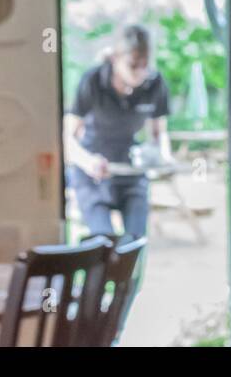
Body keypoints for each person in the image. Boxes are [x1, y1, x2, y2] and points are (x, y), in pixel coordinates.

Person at [64, 25, 172, 241]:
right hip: (92, 173)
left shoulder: (155, 83)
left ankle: (131, 275)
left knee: (134, 245)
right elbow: (66, 138)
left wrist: (161, 156)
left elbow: (159, 135)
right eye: (133, 66)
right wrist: (88, 162)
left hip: (131, 171)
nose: (141, 72)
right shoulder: (93, 81)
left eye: (145, 66)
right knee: (102, 243)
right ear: (115, 58)